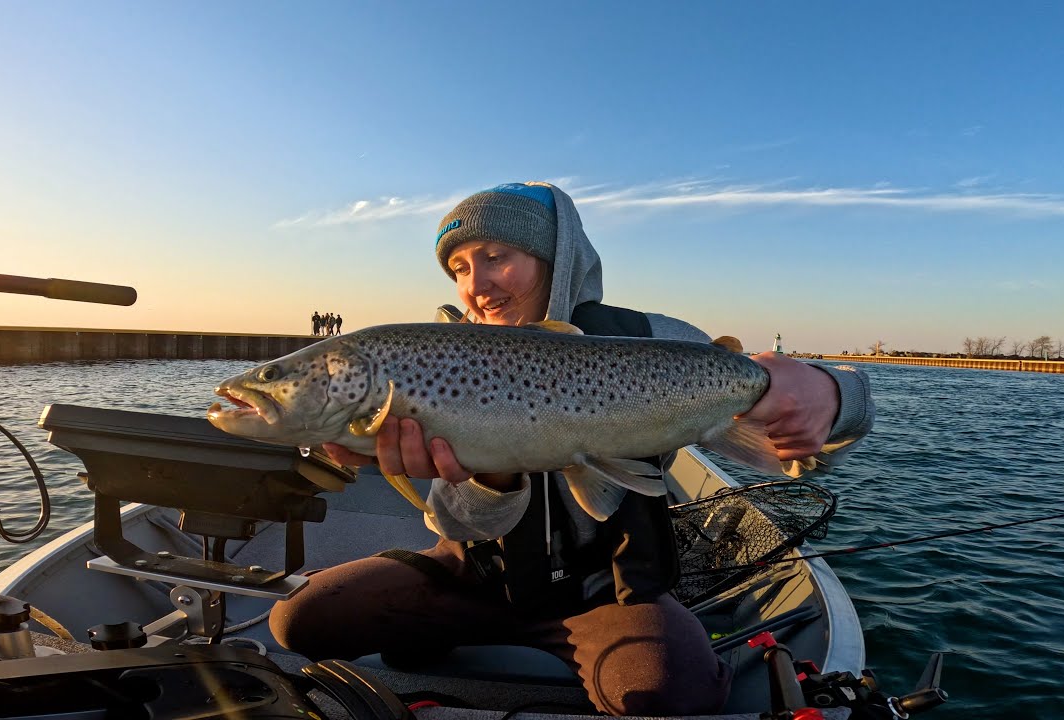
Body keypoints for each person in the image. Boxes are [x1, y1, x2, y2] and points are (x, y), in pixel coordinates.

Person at [269, 182, 875, 716]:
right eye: (458, 267)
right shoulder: (432, 361)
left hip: (607, 591)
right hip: (476, 579)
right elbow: (455, 521)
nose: (476, 285)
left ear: (554, 258)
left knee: (673, 693)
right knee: (298, 622)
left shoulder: (653, 340)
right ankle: (455, 624)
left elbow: (820, 437)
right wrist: (491, 479)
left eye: (495, 257)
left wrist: (830, 391)